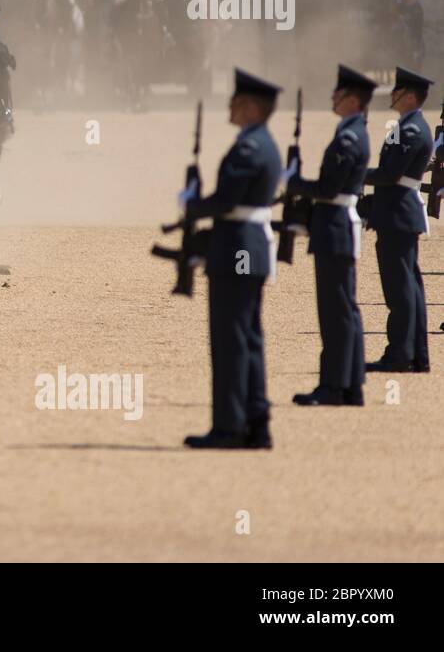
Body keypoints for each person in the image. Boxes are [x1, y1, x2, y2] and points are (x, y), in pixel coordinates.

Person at [182, 68, 282, 450]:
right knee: (247, 338)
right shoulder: (259, 143)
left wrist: (193, 206)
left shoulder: (249, 147)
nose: (230, 106)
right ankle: (255, 421)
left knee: (231, 340)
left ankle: (230, 425)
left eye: (237, 101)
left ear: (253, 107)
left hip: (239, 248)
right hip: (246, 245)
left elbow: (226, 201)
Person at [287, 65, 375, 406]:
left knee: (335, 310)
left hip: (335, 225)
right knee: (345, 308)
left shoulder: (349, 136)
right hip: (338, 224)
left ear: (352, 100)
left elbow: (327, 188)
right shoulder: (352, 132)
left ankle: (334, 386)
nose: (333, 99)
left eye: (338, 95)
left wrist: (293, 181)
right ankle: (350, 383)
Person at [364, 66, 433, 373]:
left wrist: (355, 176)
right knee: (408, 285)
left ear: (409, 96)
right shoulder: (406, 126)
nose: (392, 95)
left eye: (397, 91)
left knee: (400, 287)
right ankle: (414, 352)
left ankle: (400, 353)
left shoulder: (411, 129)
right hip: (396, 210)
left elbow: (391, 174)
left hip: (398, 211)